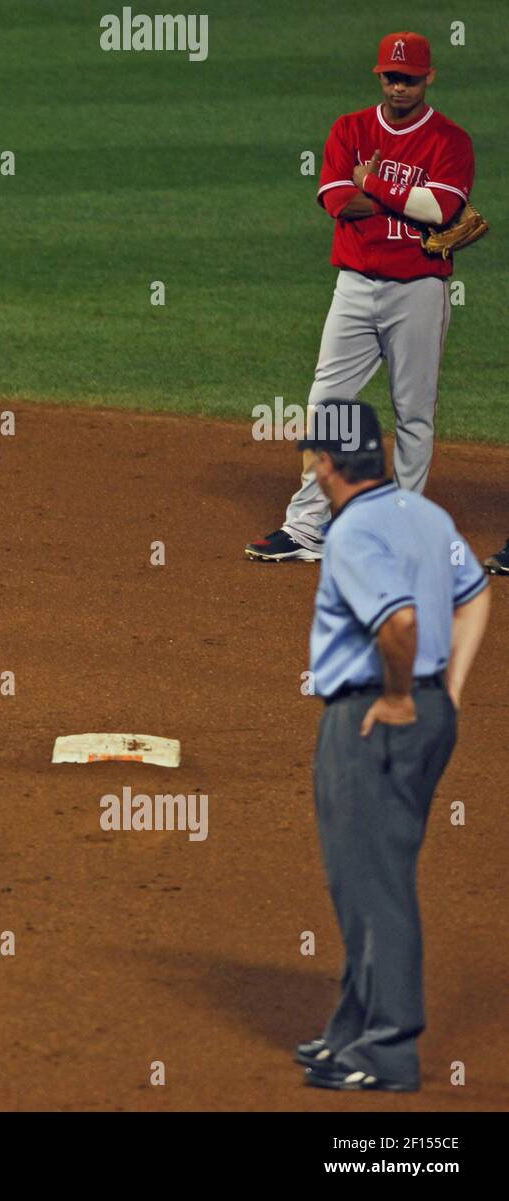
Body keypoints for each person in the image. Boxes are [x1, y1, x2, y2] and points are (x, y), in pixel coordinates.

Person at [295, 399, 490, 1091]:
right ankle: (353, 1028)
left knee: (374, 883)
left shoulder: (351, 533)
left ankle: (387, 1049)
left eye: (312, 456)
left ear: (327, 462)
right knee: (364, 875)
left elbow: (399, 620)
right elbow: (475, 593)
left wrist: (404, 692)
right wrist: (448, 689)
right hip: (429, 717)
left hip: (375, 721)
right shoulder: (423, 515)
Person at [246, 31, 475, 563]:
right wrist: (404, 203)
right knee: (325, 403)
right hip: (353, 286)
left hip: (419, 289)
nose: (399, 86)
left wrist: (374, 185)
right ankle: (307, 525)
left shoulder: (450, 140)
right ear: (380, 76)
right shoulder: (349, 128)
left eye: (410, 78)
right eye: (391, 76)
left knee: (413, 411)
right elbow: (336, 199)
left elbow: (442, 211)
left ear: (429, 78)